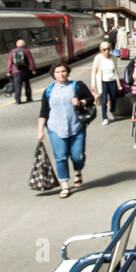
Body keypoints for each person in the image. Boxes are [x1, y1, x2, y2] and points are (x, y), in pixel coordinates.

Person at [38, 63, 94, 198]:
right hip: (55, 128)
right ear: (53, 75)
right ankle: (64, 185)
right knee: (61, 157)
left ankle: (78, 170)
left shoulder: (77, 86)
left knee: (77, 156)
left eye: (63, 71)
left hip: (76, 127)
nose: (61, 74)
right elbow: (43, 112)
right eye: (57, 72)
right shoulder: (48, 91)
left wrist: (81, 102)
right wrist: (40, 130)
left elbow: (90, 98)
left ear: (67, 72)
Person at [89, 41, 120, 124]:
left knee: (114, 98)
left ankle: (112, 110)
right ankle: (104, 118)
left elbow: (115, 70)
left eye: (108, 49)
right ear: (101, 50)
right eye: (104, 49)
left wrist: (118, 83)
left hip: (112, 80)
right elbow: (94, 71)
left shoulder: (113, 57)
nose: (106, 51)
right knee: (104, 100)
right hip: (102, 82)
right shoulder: (98, 58)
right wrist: (93, 84)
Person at [6, 38, 37, 103]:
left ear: (16, 45)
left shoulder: (12, 51)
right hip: (25, 70)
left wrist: (8, 71)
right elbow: (31, 61)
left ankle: (18, 100)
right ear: (24, 44)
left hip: (16, 71)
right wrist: (33, 69)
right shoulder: (26, 51)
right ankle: (28, 98)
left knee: (17, 85)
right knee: (27, 84)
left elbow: (10, 61)